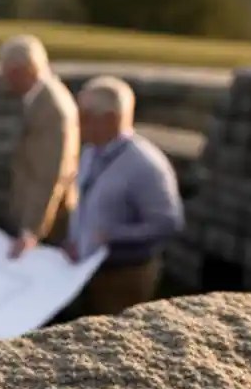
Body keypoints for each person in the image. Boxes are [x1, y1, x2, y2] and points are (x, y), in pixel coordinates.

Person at [66, 76, 185, 316]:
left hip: (124, 279)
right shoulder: (91, 152)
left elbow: (168, 223)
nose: (77, 123)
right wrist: (76, 240)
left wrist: (113, 236)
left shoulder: (145, 165)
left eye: (84, 116)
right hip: (86, 272)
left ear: (111, 119)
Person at [0, 34, 80, 260]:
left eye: (9, 73)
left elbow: (50, 174)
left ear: (27, 70)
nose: (4, 79)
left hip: (46, 225)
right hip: (31, 214)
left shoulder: (52, 109)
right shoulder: (39, 98)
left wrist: (30, 230)